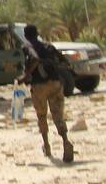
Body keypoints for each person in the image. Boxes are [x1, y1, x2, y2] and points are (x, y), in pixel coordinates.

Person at [21, 23, 74, 163]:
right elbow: (65, 62)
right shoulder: (49, 46)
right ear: (37, 33)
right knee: (58, 115)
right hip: (55, 84)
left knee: (42, 115)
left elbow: (34, 59)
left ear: (25, 35)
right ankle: (65, 141)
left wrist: (25, 76)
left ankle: (47, 145)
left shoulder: (27, 47)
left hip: (39, 86)